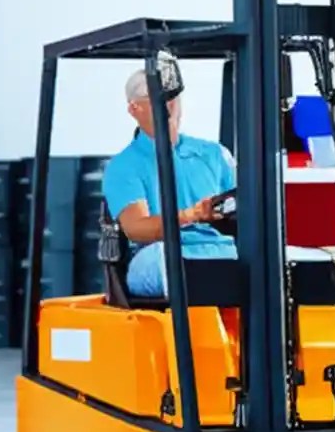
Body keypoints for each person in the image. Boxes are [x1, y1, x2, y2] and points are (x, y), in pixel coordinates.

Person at [101, 69, 237, 297]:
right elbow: (137, 229)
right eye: (157, 97)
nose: (169, 103)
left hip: (219, 248)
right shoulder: (124, 165)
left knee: (284, 260)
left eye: (172, 95)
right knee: (168, 262)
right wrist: (191, 215)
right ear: (134, 109)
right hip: (157, 253)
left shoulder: (214, 154)